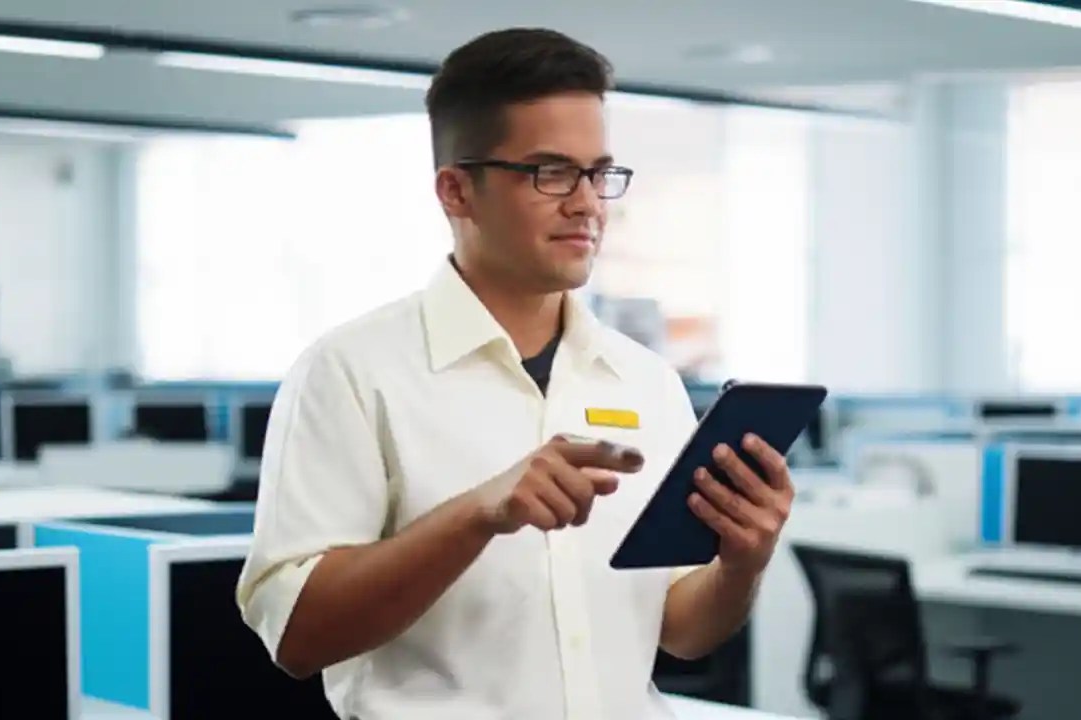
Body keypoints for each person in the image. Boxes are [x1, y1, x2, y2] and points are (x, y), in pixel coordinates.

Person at [236, 27, 795, 720]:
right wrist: (478, 514)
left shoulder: (645, 381)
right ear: (456, 191)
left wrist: (743, 564)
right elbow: (299, 637)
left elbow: (680, 630)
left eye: (599, 173)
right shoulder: (351, 372)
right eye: (550, 172)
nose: (588, 202)